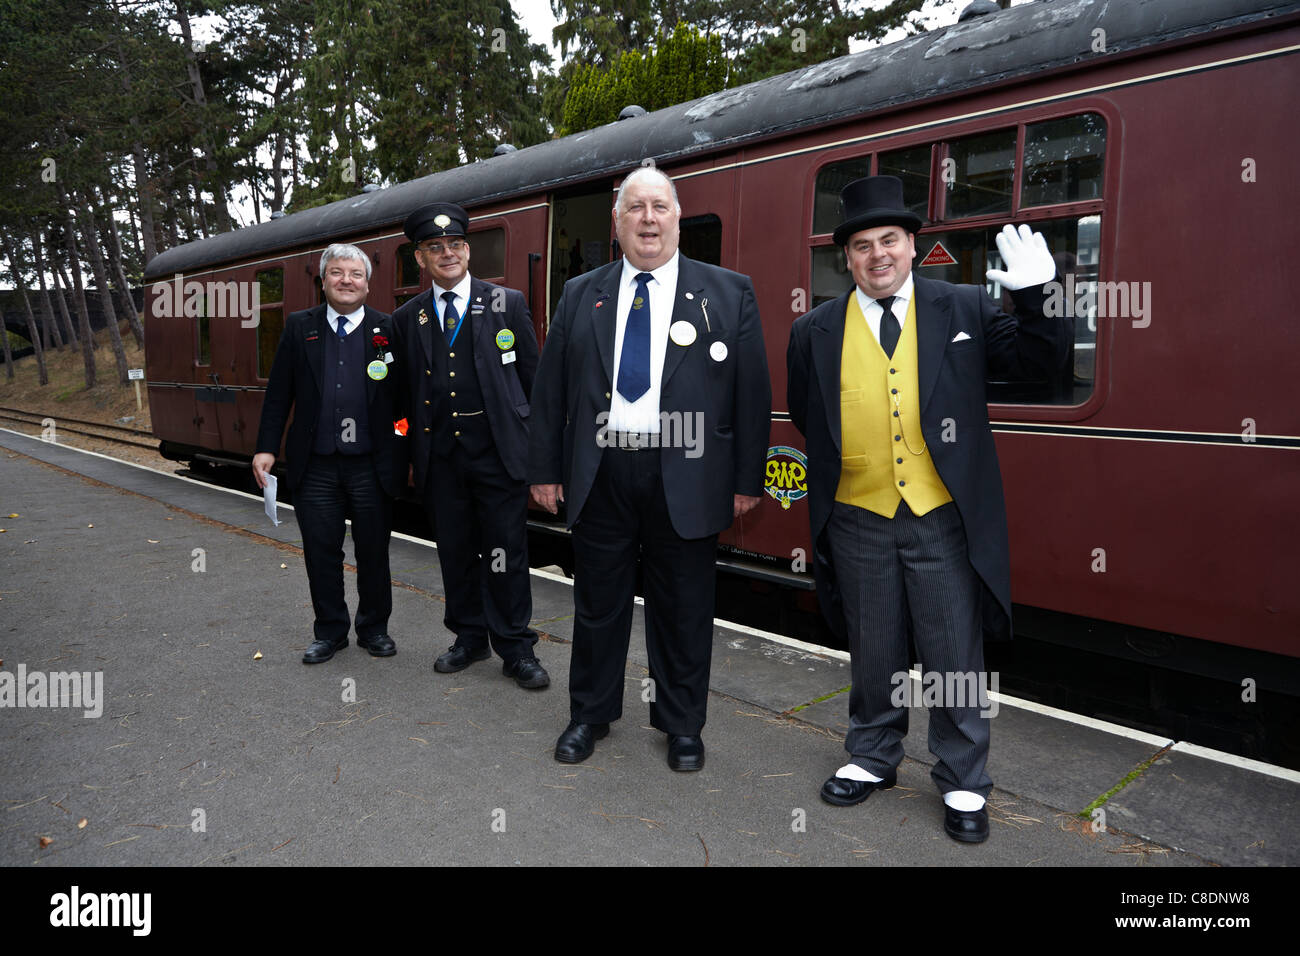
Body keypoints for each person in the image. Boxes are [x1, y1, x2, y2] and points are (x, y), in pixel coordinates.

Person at [786, 175, 1067, 842]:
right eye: (862, 245)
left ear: (913, 246)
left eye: (890, 239)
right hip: (857, 513)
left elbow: (1042, 365)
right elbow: (808, 416)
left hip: (940, 515)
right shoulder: (813, 331)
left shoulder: (963, 307)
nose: (877, 254)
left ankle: (965, 780)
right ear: (846, 258)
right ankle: (872, 754)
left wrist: (1036, 295)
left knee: (953, 655)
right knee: (873, 647)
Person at [529, 166, 771, 770]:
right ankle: (589, 714)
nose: (647, 219)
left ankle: (682, 725)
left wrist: (747, 480)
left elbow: (751, 395)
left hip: (686, 474)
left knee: (684, 607)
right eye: (634, 208)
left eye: (659, 206)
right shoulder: (581, 293)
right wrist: (545, 469)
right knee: (598, 604)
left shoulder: (729, 291)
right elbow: (551, 392)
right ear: (617, 222)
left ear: (678, 217)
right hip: (603, 472)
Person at [390, 202, 549, 690]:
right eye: (435, 247)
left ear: (467, 249)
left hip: (499, 455)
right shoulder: (407, 319)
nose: (447, 253)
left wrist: (539, 453)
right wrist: (404, 453)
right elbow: (400, 399)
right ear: (420, 258)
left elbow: (534, 384)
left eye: (455, 244)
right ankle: (469, 638)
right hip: (442, 460)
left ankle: (516, 647)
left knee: (506, 552)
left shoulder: (508, 303)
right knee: (455, 552)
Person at [253, 243, 403, 664]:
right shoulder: (300, 328)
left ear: (368, 284)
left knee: (373, 551)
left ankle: (374, 629)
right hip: (316, 465)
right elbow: (279, 394)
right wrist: (266, 447)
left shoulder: (388, 329)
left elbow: (404, 401)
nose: (346, 281)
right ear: (323, 281)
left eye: (355, 274)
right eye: (337, 273)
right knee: (322, 551)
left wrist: (401, 444)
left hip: (372, 465)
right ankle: (330, 632)